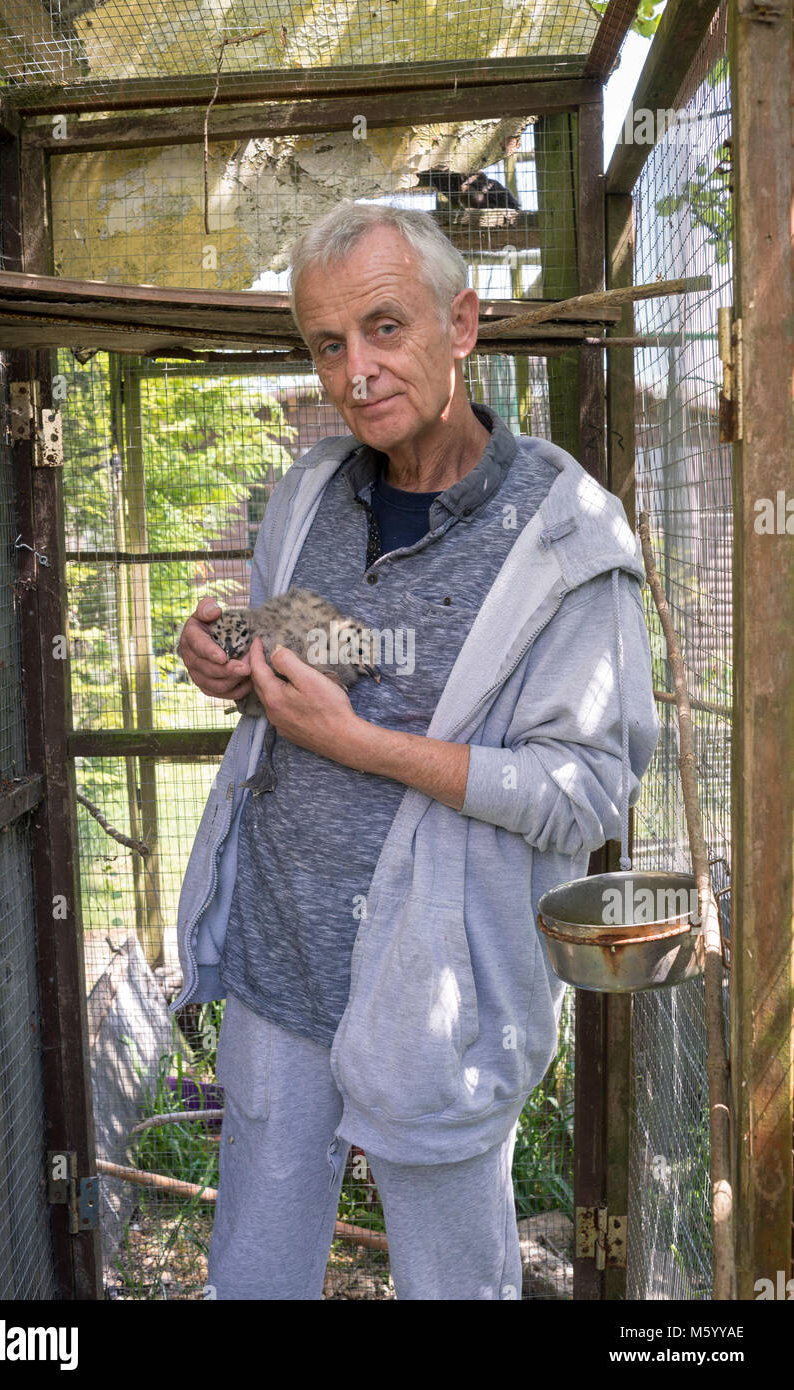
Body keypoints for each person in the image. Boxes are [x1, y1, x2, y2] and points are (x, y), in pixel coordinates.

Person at [173, 202, 659, 1300]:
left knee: (455, 1283)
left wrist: (364, 743)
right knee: (254, 1270)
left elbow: (583, 793)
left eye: (385, 328)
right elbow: (290, 651)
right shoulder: (308, 492)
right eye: (327, 344)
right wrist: (230, 668)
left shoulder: (569, 538)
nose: (356, 371)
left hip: (443, 985)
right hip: (277, 960)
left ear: (464, 324)